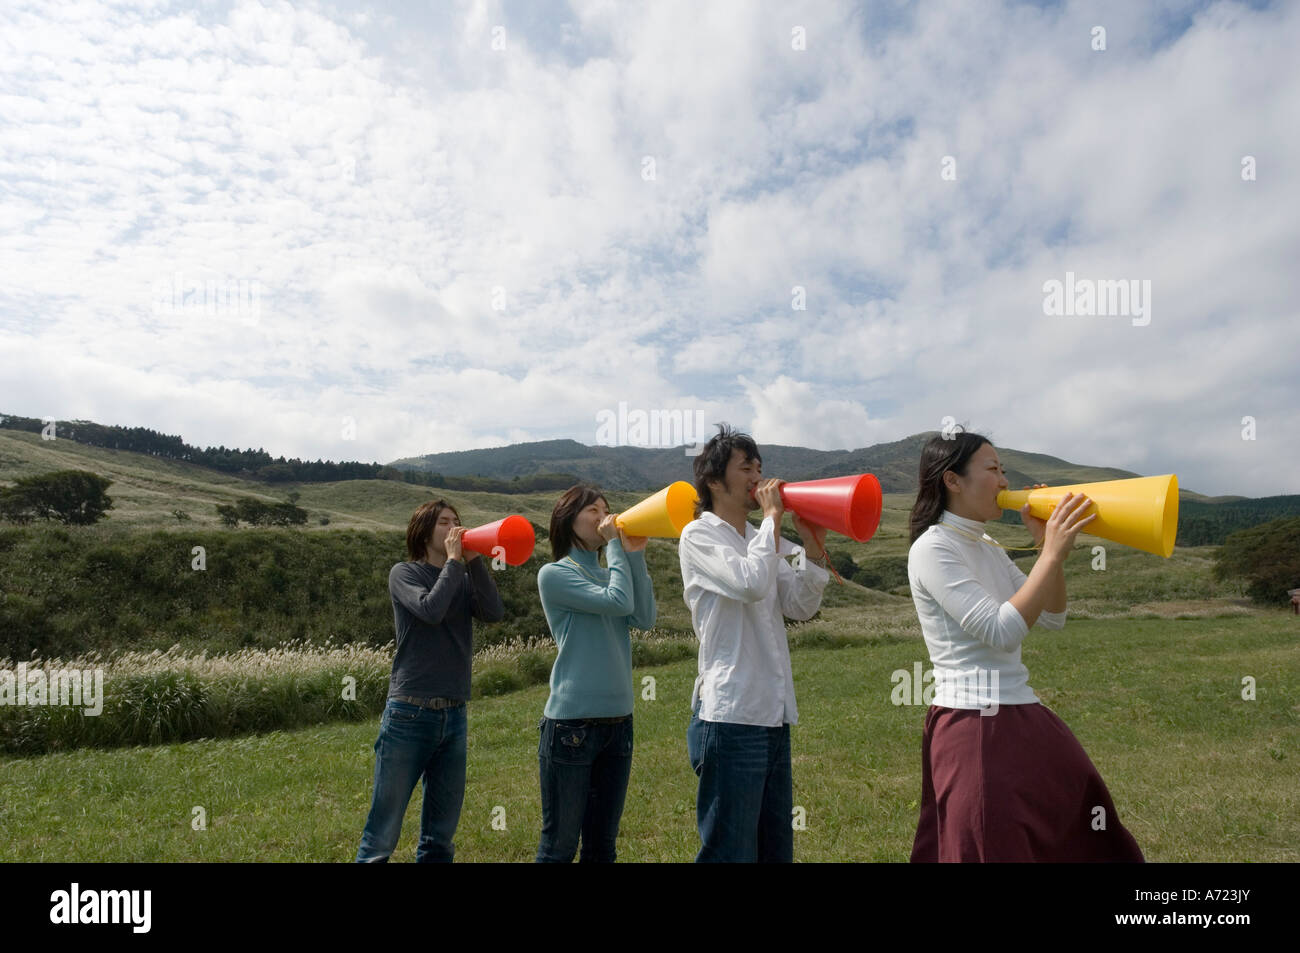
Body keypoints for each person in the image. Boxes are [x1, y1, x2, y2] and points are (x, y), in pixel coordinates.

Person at [906, 431, 1143, 862]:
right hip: (972, 721)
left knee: (1085, 823)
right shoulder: (933, 548)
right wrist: (1050, 554)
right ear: (952, 481)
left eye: (1003, 470)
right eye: (992, 469)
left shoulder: (988, 545)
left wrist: (1043, 550)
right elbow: (1001, 630)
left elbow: (1052, 616)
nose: (1003, 481)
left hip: (1020, 710)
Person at [679, 425, 831, 862]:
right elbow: (748, 582)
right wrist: (770, 523)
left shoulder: (763, 538)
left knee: (773, 849)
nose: (758, 478)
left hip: (772, 713)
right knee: (730, 851)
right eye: (746, 468)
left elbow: (799, 606)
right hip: (730, 714)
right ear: (713, 481)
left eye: (760, 467)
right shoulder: (699, 536)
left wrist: (815, 554)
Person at [355, 499, 505, 862]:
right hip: (410, 713)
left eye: (457, 521)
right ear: (423, 532)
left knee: (440, 836)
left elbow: (494, 612)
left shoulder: (462, 575)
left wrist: (473, 560)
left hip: (453, 716)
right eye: (444, 522)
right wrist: (455, 563)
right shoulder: (403, 574)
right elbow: (431, 611)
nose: (455, 527)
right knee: (382, 834)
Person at [534, 484, 655, 862]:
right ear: (568, 520)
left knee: (602, 847)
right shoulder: (554, 574)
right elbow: (618, 602)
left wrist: (634, 555)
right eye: (594, 511)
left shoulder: (609, 571)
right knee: (560, 846)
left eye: (607, 509)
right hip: (573, 726)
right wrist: (617, 548)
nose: (606, 518)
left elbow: (644, 617)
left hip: (619, 722)